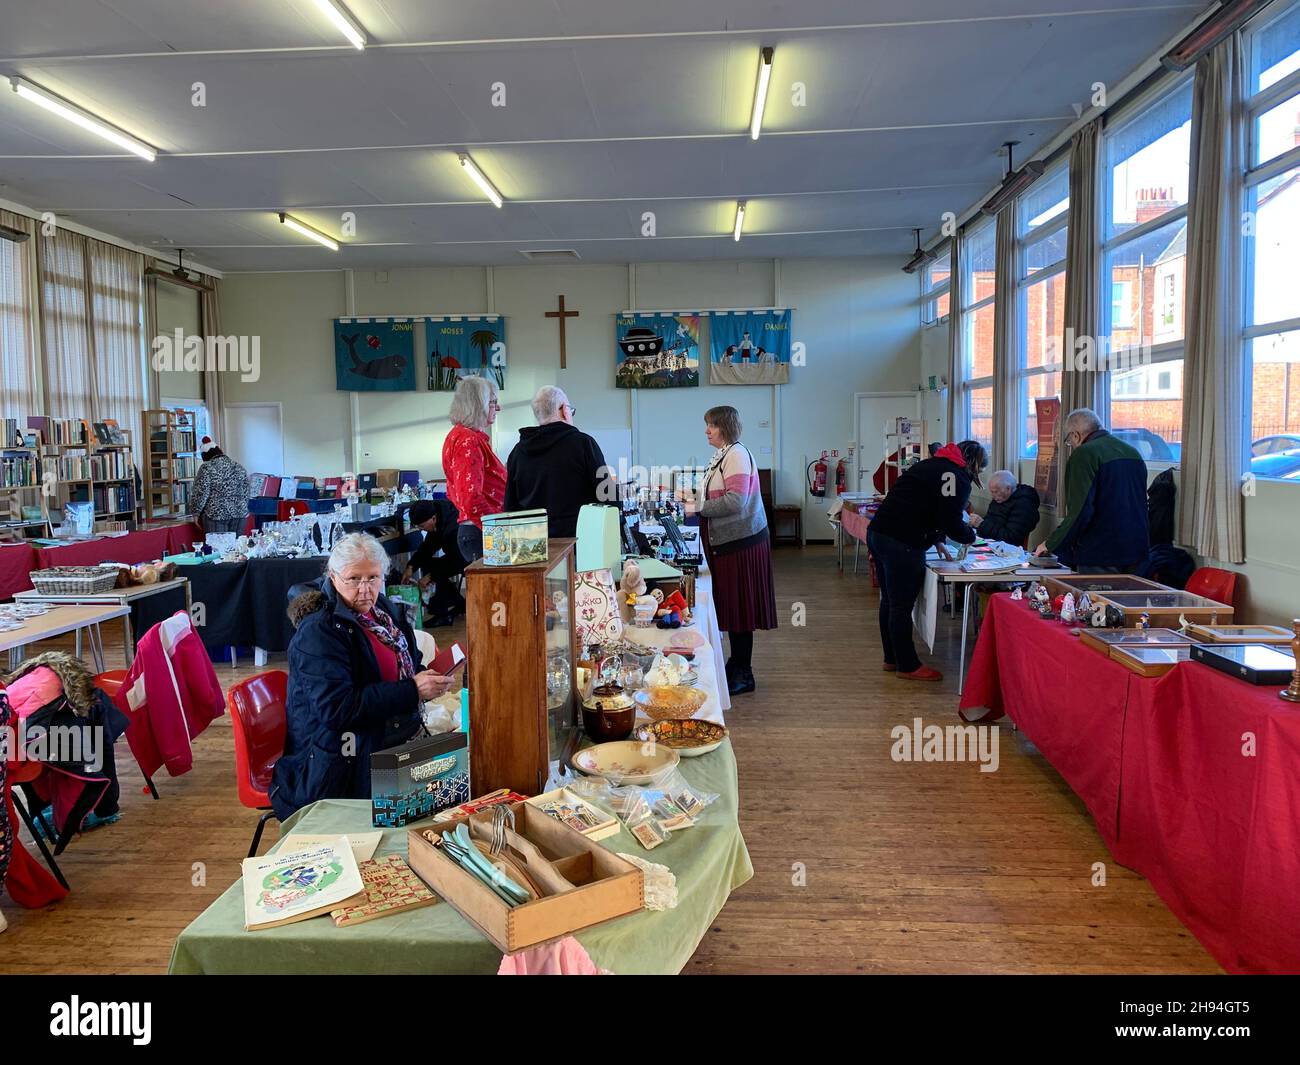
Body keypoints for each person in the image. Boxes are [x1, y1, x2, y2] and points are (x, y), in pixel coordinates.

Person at [270, 533, 457, 821]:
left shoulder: (383, 610)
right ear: (333, 577)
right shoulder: (319, 632)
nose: (365, 589)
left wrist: (424, 676)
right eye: (354, 579)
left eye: (373, 577)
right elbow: (338, 709)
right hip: (339, 762)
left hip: (389, 737)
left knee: (456, 786)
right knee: (427, 819)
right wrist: (412, 690)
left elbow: (407, 662)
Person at [867, 440, 988, 681]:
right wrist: (970, 536)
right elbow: (950, 518)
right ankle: (908, 665)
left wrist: (937, 539)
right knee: (901, 606)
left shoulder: (931, 465)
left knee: (889, 602)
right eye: (981, 469)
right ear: (974, 465)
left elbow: (927, 507)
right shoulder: (957, 477)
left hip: (879, 533)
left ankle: (891, 658)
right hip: (902, 542)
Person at [683, 406, 777, 697]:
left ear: (722, 427)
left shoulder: (736, 454)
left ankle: (744, 673)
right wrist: (693, 498)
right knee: (733, 608)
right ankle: (735, 664)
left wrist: (696, 505)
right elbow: (719, 495)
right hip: (730, 544)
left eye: (710, 425)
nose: (706, 431)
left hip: (741, 544)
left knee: (740, 609)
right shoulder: (724, 454)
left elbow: (736, 501)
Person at [1034, 408, 1148, 573]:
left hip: (1101, 552)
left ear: (1075, 435)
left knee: (1098, 599)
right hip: (1137, 549)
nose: (1071, 446)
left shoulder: (1084, 454)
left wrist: (1050, 544)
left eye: (1068, 441)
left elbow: (1080, 512)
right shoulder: (1132, 452)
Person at [504, 386, 611, 537]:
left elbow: (510, 506)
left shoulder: (517, 452)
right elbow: (607, 494)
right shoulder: (583, 444)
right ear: (563, 410)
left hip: (534, 543)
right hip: (579, 540)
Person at [442, 376, 506, 563]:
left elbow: (454, 492)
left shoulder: (462, 437)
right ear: (479, 404)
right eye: (494, 402)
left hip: (479, 530)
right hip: (482, 533)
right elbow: (469, 498)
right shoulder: (467, 441)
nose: (498, 408)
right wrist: (498, 530)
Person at [402, 497, 466, 626]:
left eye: (422, 526)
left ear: (433, 518)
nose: (421, 529)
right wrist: (410, 567)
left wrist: (430, 576)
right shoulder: (438, 518)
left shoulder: (452, 527)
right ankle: (459, 603)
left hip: (467, 557)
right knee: (428, 563)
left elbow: (458, 559)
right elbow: (428, 547)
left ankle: (443, 615)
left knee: (436, 571)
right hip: (455, 556)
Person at [192, 435, 249, 534]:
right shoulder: (239, 466)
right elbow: (246, 492)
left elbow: (201, 493)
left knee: (218, 548)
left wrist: (196, 512)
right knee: (236, 548)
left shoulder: (207, 467)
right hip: (240, 513)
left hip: (216, 514)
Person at [970, 470, 1040, 546]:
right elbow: (989, 521)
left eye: (995, 492)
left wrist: (982, 524)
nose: (993, 496)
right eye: (992, 492)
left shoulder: (1024, 505)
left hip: (1007, 550)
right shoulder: (1001, 498)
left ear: (1008, 489)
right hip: (989, 542)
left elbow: (1011, 538)